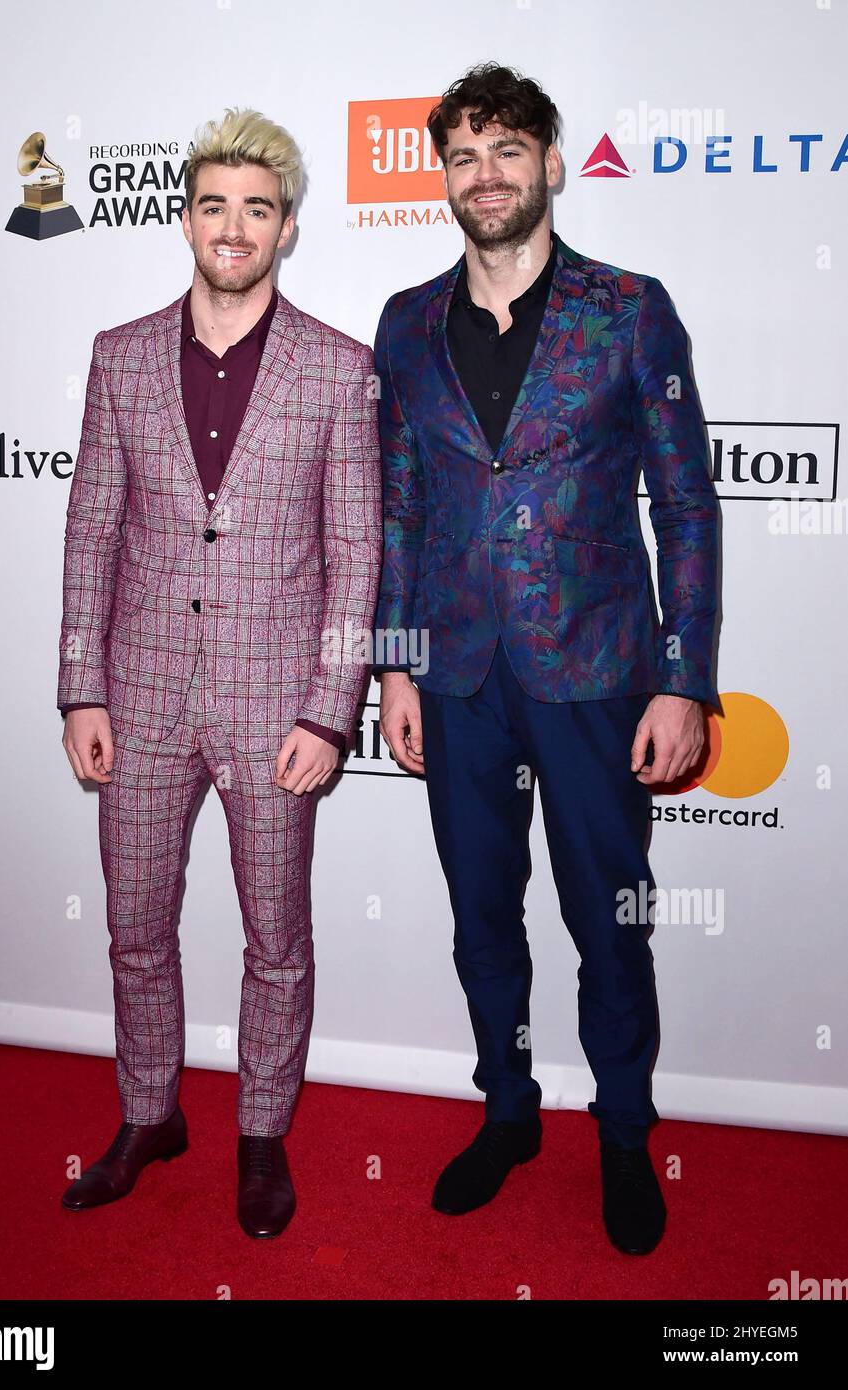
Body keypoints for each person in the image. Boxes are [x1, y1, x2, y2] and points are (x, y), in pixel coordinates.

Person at [373, 62, 720, 1255]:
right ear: (446, 179)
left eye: (508, 150)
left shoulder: (630, 309)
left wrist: (683, 678)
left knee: (609, 918)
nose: (487, 175)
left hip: (596, 673)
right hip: (459, 676)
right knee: (482, 915)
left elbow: (685, 506)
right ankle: (508, 1107)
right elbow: (401, 505)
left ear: (553, 164)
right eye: (464, 156)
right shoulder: (406, 323)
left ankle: (623, 1129)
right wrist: (396, 666)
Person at [57, 108, 382, 1238]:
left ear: (286, 227)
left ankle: (260, 1129)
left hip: (274, 708)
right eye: (213, 205)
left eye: (256, 208)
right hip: (136, 699)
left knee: (274, 937)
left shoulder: (341, 369)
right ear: (185, 218)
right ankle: (151, 1113)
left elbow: (358, 554)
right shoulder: (119, 354)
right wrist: (81, 686)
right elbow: (91, 527)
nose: (232, 226)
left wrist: (331, 711)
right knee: (135, 924)